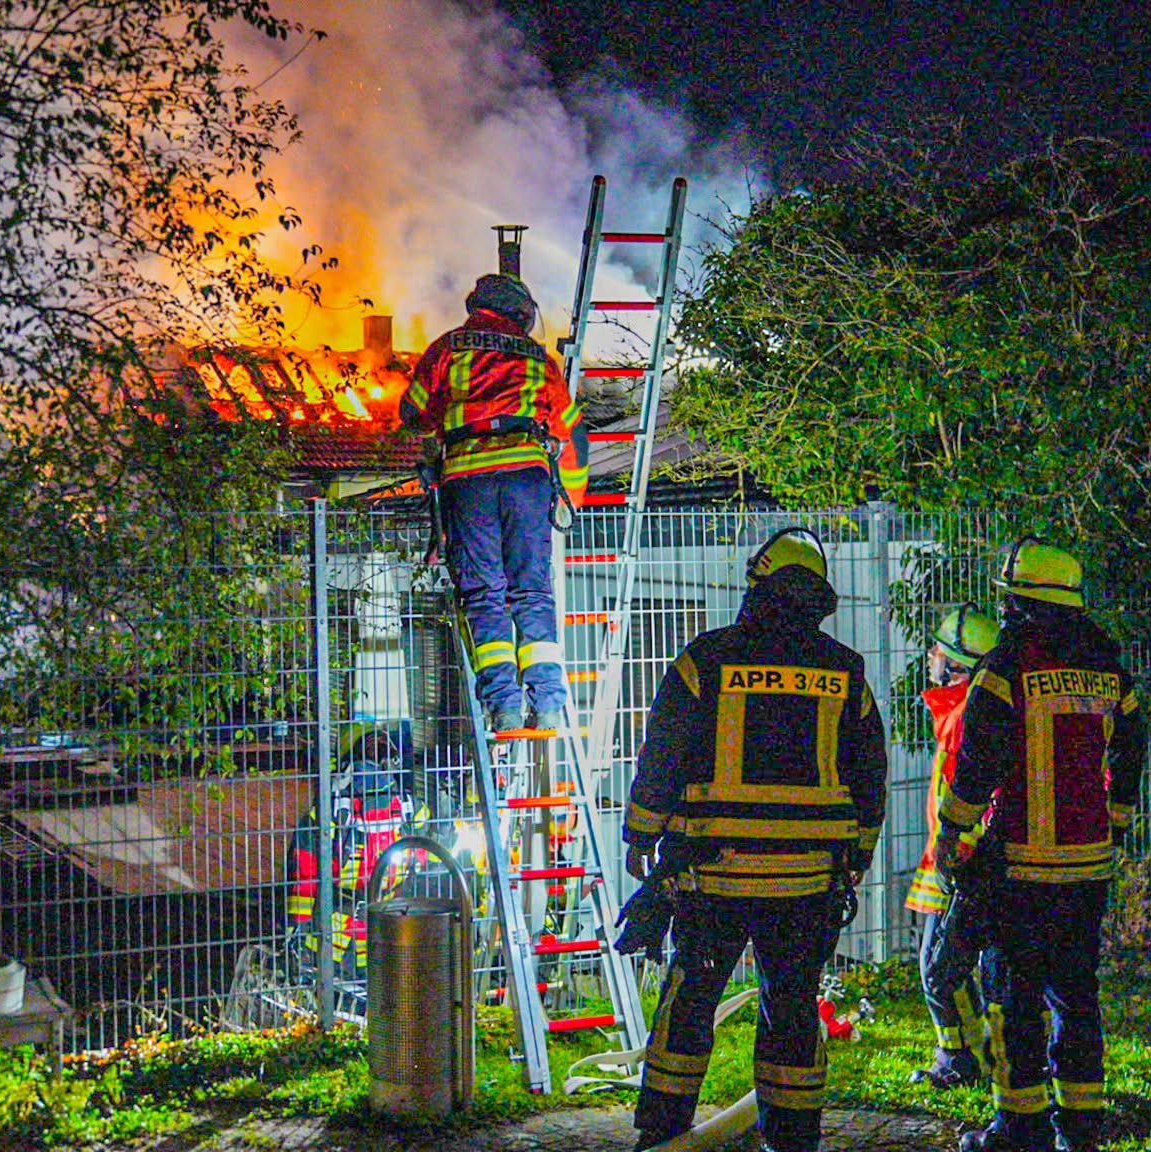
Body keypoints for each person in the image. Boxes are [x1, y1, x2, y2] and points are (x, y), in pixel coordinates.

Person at [621, 528, 889, 1152]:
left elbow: (661, 756)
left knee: (689, 1003)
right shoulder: (844, 673)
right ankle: (793, 1139)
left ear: (758, 585)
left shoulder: (704, 662)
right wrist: (858, 856)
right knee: (793, 1011)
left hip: (713, 879)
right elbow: (870, 775)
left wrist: (641, 835)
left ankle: (661, 1136)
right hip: (805, 886)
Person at [936, 541, 1147, 1152]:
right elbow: (1132, 746)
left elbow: (977, 763)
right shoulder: (1109, 666)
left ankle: (1017, 1130)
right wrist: (1116, 822)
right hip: (1087, 870)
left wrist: (953, 830)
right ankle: (1080, 1131)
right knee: (1077, 997)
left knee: (1012, 997)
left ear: (1021, 602)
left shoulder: (1006, 668)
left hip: (1022, 868)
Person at [400, 273, 589, 733]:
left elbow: (413, 413)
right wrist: (572, 498)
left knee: (485, 594)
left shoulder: (448, 347)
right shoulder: (537, 357)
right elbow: (569, 430)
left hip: (470, 478)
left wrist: (441, 420)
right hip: (527, 477)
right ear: (521, 314)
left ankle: (503, 706)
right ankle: (547, 702)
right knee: (532, 588)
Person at [906, 603, 1004, 1090]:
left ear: (958, 666)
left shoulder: (968, 715)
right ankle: (971, 1054)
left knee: (939, 967)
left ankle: (960, 1059)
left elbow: (971, 791)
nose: (930, 658)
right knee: (951, 964)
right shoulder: (965, 711)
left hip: (959, 861)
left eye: (938, 652)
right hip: (954, 856)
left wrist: (957, 855)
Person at [285, 729, 428, 982]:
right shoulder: (412, 810)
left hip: (337, 933)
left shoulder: (329, 812)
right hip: (387, 930)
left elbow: (304, 875)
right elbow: (427, 867)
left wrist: (297, 928)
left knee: (328, 995)